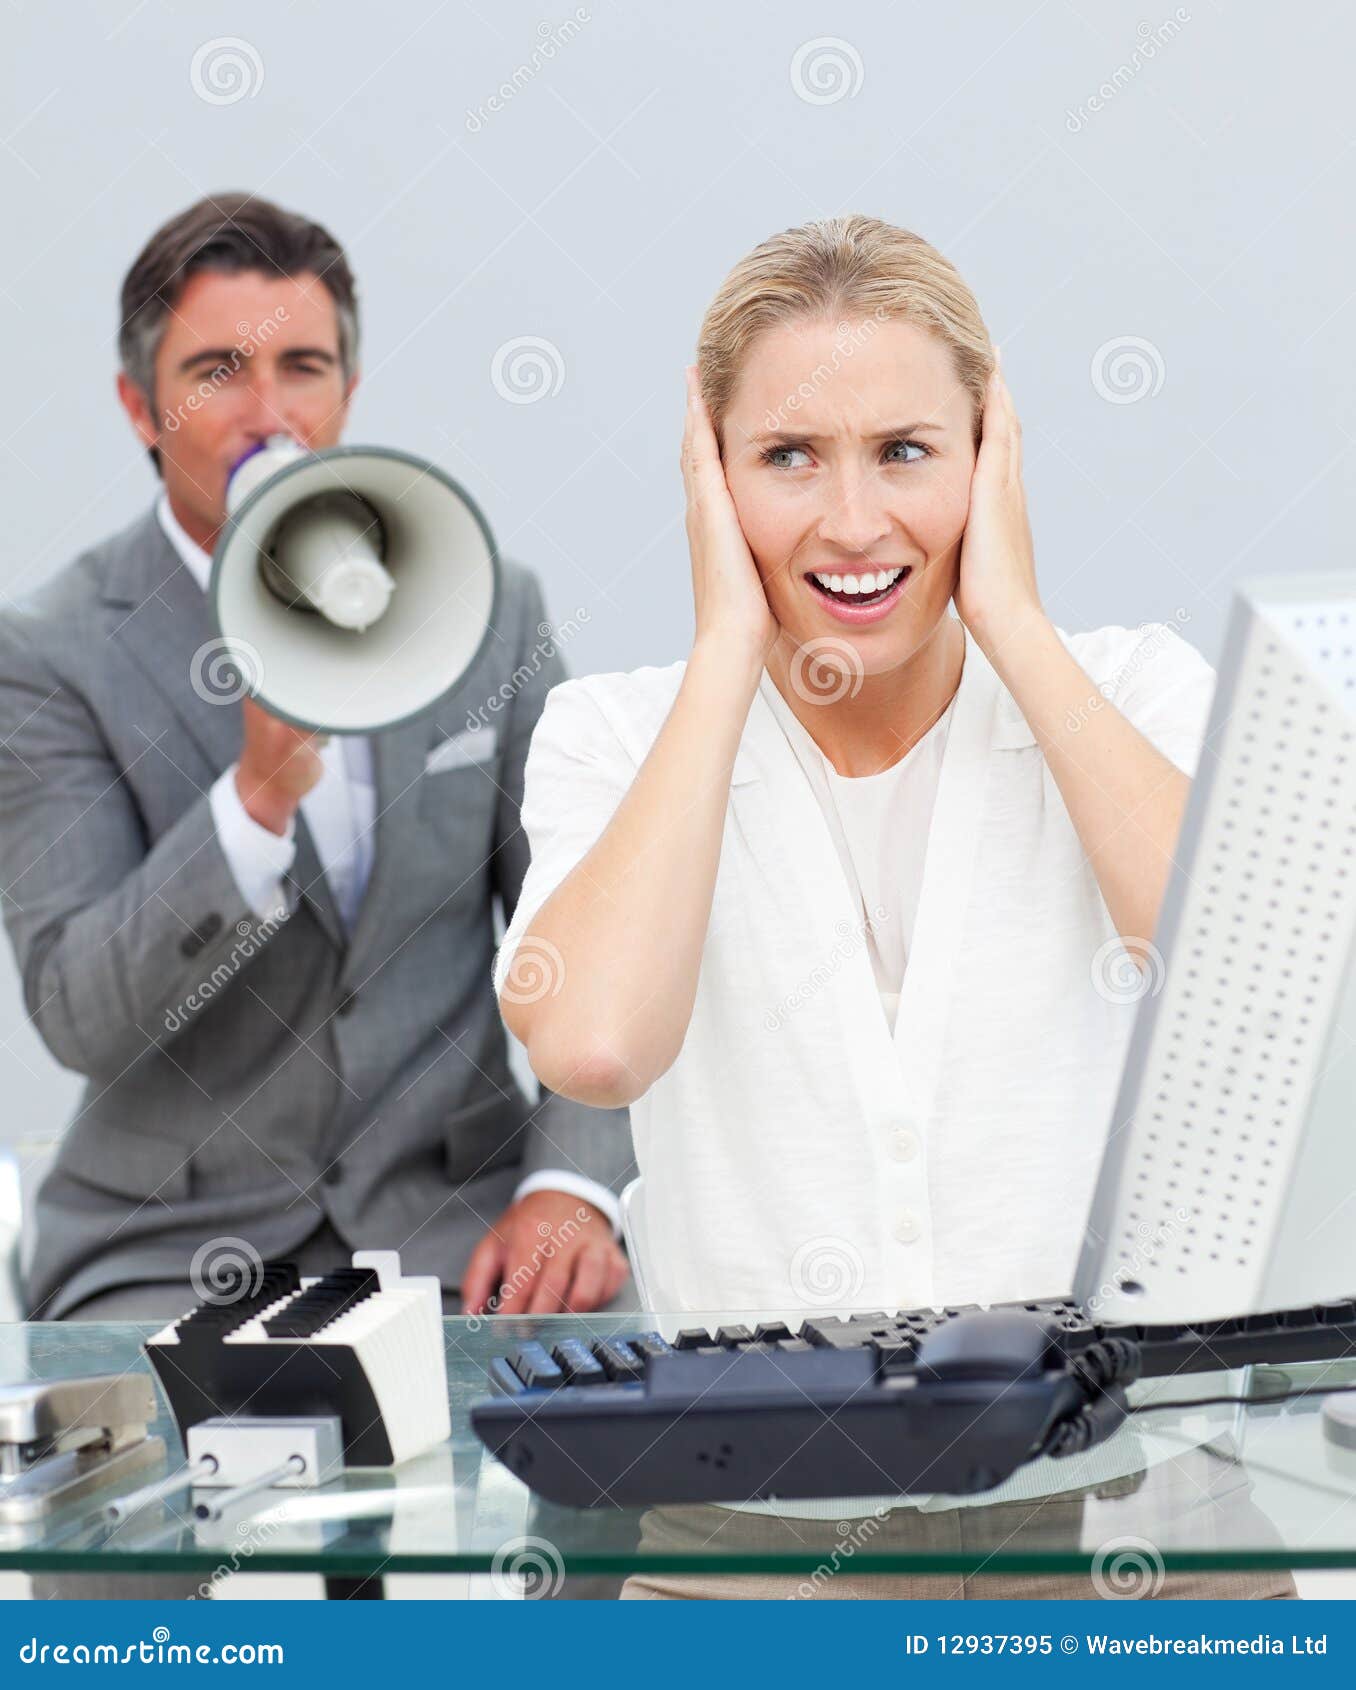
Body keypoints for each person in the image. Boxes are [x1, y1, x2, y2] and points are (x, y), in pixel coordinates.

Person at [492, 213, 1295, 1600]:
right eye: (787, 457)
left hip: (1130, 1512)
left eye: (907, 453)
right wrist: (730, 647)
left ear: (990, 460)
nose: (853, 523)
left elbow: (1248, 980)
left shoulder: (1132, 690)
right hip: (744, 1545)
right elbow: (599, 1045)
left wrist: (1019, 628)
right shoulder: (615, 735)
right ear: (710, 478)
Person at [0, 193, 635, 1336]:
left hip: (461, 1235)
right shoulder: (49, 654)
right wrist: (249, 807)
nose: (269, 415)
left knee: (619, 1447)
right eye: (216, 372)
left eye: (304, 365)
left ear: (348, 388)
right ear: (138, 405)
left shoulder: (482, 610)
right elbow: (75, 1012)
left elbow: (599, 933)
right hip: (170, 1251)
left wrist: (571, 1184)